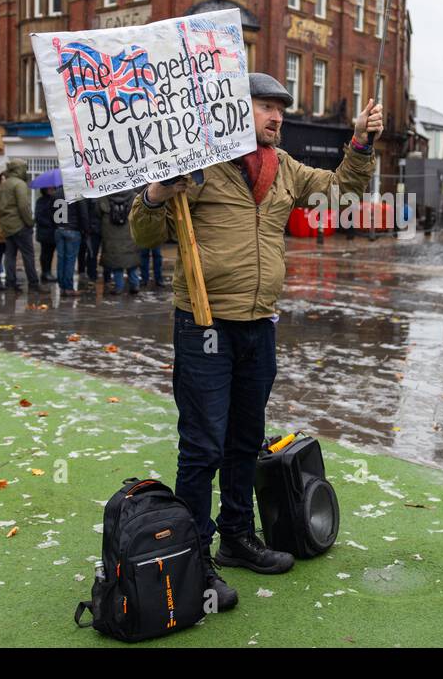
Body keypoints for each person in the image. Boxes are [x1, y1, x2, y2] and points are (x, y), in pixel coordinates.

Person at [131, 72, 382, 612]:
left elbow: (343, 191)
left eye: (280, 109)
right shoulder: (194, 162)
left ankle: (238, 537)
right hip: (203, 325)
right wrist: (155, 193)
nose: (276, 117)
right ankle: (193, 559)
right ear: (235, 109)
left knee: (245, 441)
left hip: (259, 325)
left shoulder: (283, 167)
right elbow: (143, 234)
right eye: (266, 107)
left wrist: (360, 141)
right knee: (202, 447)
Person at [0, 158, 46, 293]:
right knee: (28, 255)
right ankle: (34, 284)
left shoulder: (3, 186)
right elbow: (23, 206)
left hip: (7, 225)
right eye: (24, 168)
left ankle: (10, 283)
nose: (26, 171)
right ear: (19, 169)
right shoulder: (19, 184)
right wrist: (30, 222)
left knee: (10, 256)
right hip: (20, 226)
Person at [98, 190, 141, 294]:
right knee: (131, 260)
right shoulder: (134, 197)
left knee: (116, 262)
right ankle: (134, 284)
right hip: (129, 233)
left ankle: (119, 286)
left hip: (111, 235)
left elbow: (97, 212)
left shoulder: (104, 197)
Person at [52, 186, 88, 291]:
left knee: (61, 258)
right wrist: (85, 230)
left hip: (59, 229)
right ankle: (68, 287)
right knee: (70, 259)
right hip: (73, 229)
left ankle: (61, 285)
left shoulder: (56, 193)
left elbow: (50, 211)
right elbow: (83, 214)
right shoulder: (76, 192)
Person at [78, 194, 103, 290]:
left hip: (94, 228)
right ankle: (92, 274)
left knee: (92, 253)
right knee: (92, 253)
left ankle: (91, 274)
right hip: (94, 229)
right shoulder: (92, 196)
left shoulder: (90, 196)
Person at [34, 187, 57, 283]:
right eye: (49, 188)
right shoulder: (41, 201)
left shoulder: (55, 200)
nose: (51, 190)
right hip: (45, 231)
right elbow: (38, 216)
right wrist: (50, 223)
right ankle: (45, 272)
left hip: (52, 231)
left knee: (50, 253)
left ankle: (47, 272)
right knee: (45, 253)